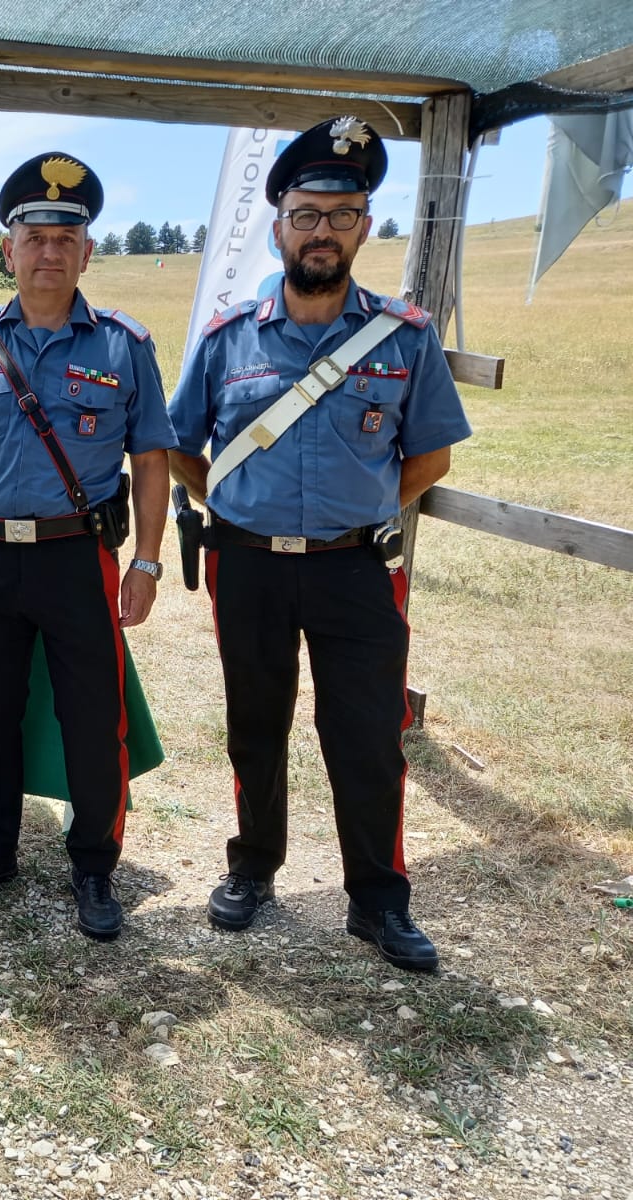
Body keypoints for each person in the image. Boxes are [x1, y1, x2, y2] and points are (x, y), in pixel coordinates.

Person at [167, 116, 471, 973]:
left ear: (364, 229)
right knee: (254, 726)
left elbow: (431, 454)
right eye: (307, 214)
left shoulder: (403, 338)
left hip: (356, 569)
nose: (323, 232)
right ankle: (254, 870)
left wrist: (362, 507)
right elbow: (183, 444)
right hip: (251, 565)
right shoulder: (229, 338)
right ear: (278, 227)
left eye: (342, 215)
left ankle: (378, 901)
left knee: (368, 734)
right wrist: (232, 505)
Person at [0, 152, 175, 941]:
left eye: (66, 237)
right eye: (33, 235)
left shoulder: (124, 347)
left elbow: (151, 461)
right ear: (8, 249)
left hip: (76, 558)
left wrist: (149, 561)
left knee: (95, 719)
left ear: (86, 252)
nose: (49, 251)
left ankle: (94, 864)